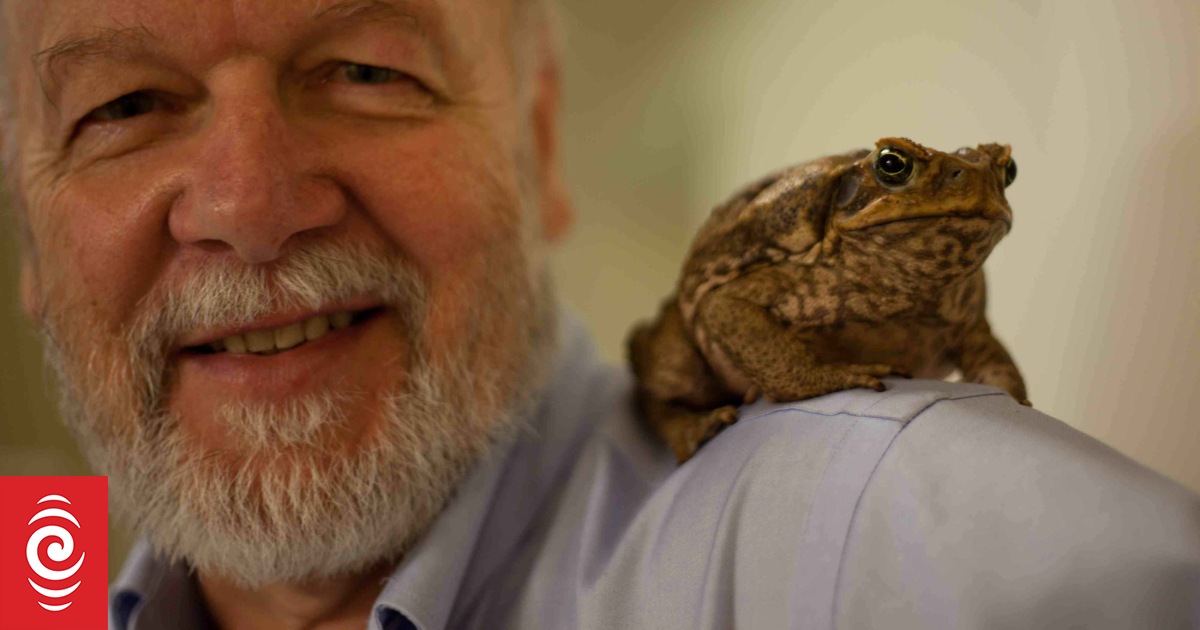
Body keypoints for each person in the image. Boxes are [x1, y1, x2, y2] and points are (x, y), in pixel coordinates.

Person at [2, 0, 1197, 628]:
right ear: (33, 242)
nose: (251, 208)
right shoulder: (36, 572)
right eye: (123, 106)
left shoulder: (883, 515)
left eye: (368, 72)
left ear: (536, 142)